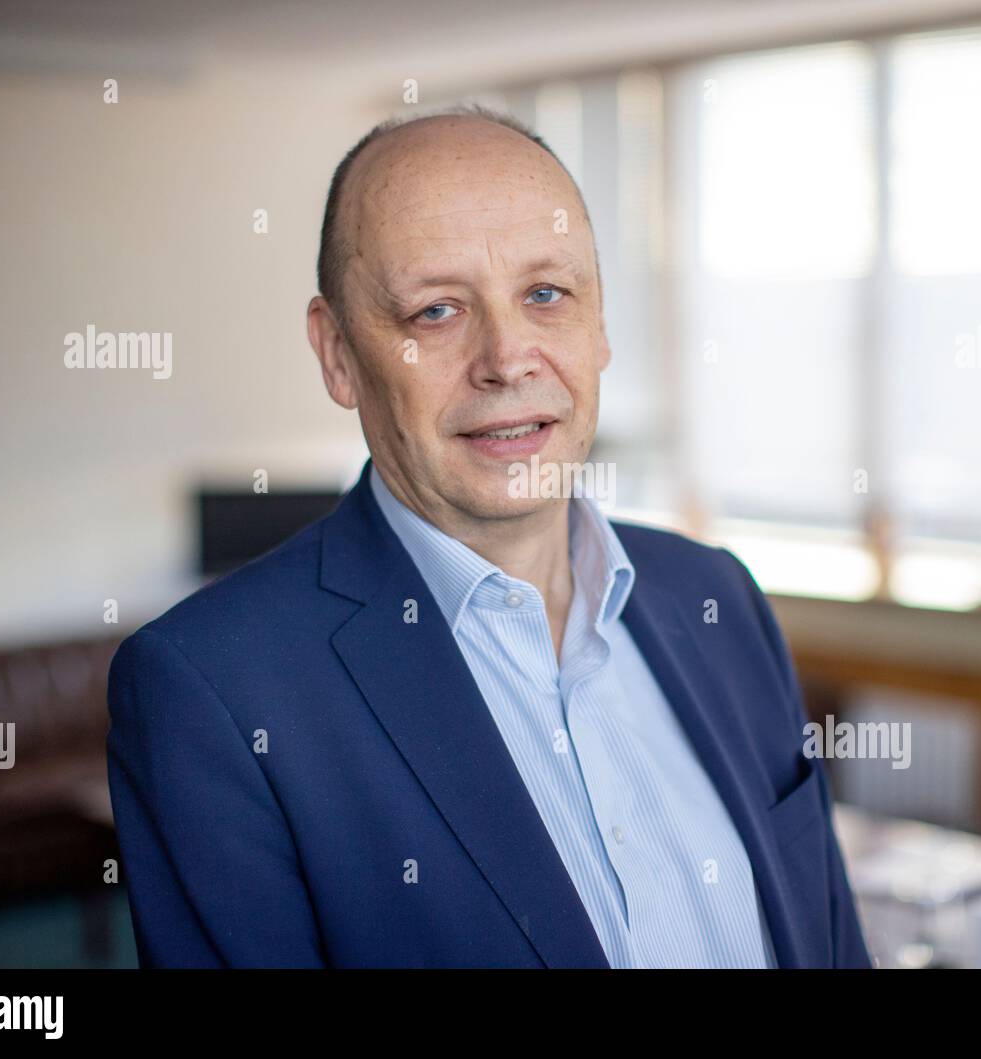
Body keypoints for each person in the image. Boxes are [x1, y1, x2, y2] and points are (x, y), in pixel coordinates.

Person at [105, 105, 873, 968]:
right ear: (337, 354)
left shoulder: (717, 595)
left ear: (600, 324)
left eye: (546, 294)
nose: (508, 359)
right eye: (436, 311)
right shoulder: (211, 691)